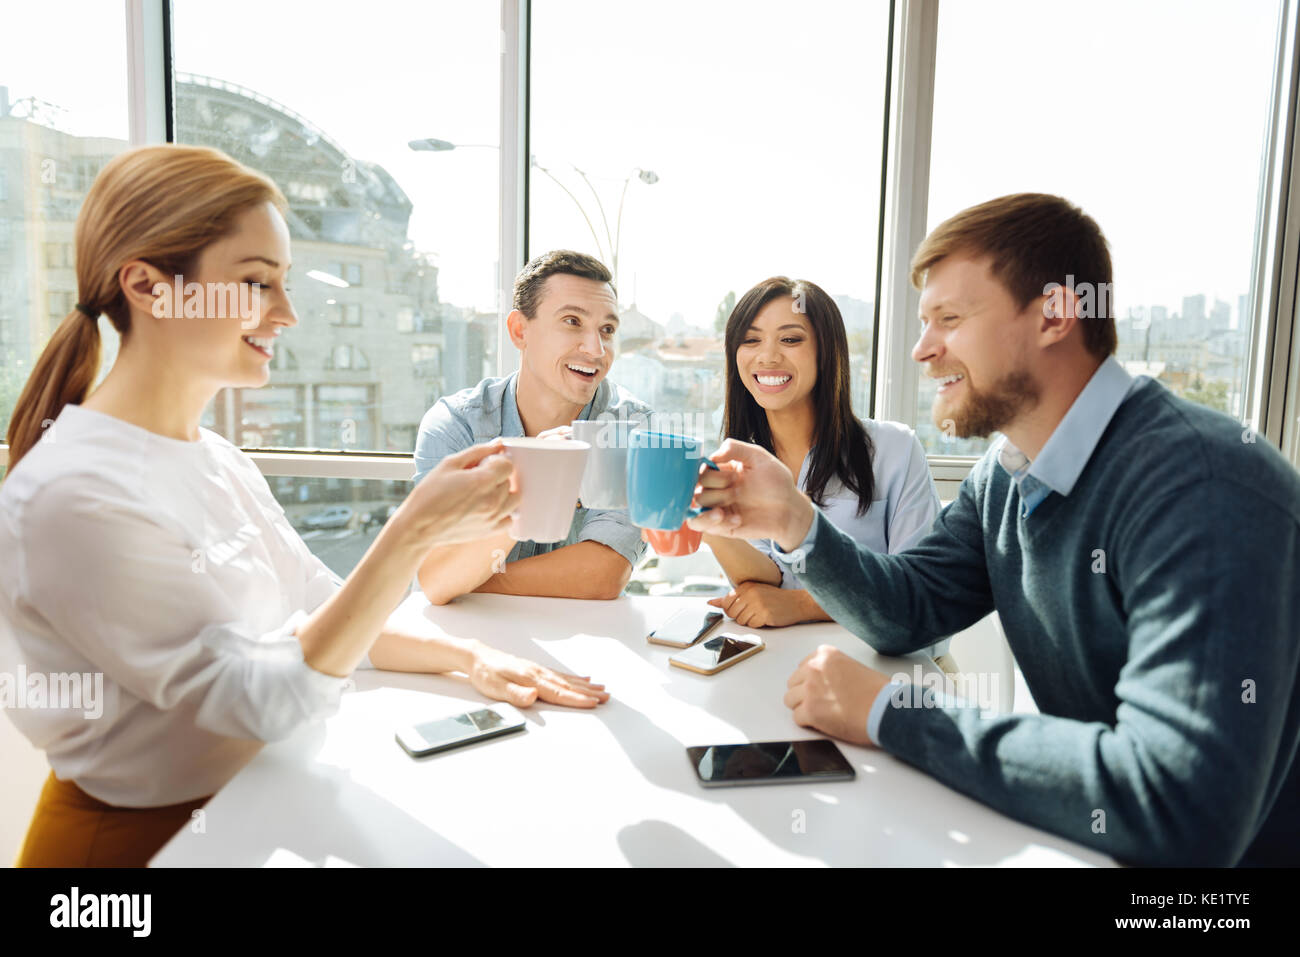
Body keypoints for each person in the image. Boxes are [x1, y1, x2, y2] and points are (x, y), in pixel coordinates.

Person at [0, 145, 607, 867]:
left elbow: (326, 613)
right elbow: (259, 699)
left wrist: (470, 656)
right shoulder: (73, 494)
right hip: (137, 855)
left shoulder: (218, 459)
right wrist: (412, 534)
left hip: (250, 810)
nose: (286, 313)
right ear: (150, 287)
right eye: (257, 282)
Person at [689, 193, 1300, 867]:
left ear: (1056, 315)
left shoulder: (1207, 485)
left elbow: (1180, 808)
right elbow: (906, 611)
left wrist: (893, 710)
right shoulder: (1005, 475)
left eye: (948, 318)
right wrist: (794, 520)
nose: (923, 350)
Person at [703, 277, 947, 661]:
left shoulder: (894, 450)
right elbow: (766, 586)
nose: (766, 357)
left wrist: (801, 606)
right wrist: (703, 520)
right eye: (750, 340)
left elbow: (923, 598)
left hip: (888, 669)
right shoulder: (739, 462)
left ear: (826, 351)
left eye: (790, 339)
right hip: (778, 667)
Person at [413, 250, 651, 604]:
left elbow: (602, 574)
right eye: (572, 321)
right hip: (469, 635)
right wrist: (530, 489)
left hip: (585, 642)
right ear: (519, 331)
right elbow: (435, 577)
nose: (596, 349)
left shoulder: (630, 426)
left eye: (607, 330)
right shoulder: (456, 425)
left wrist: (470, 579)